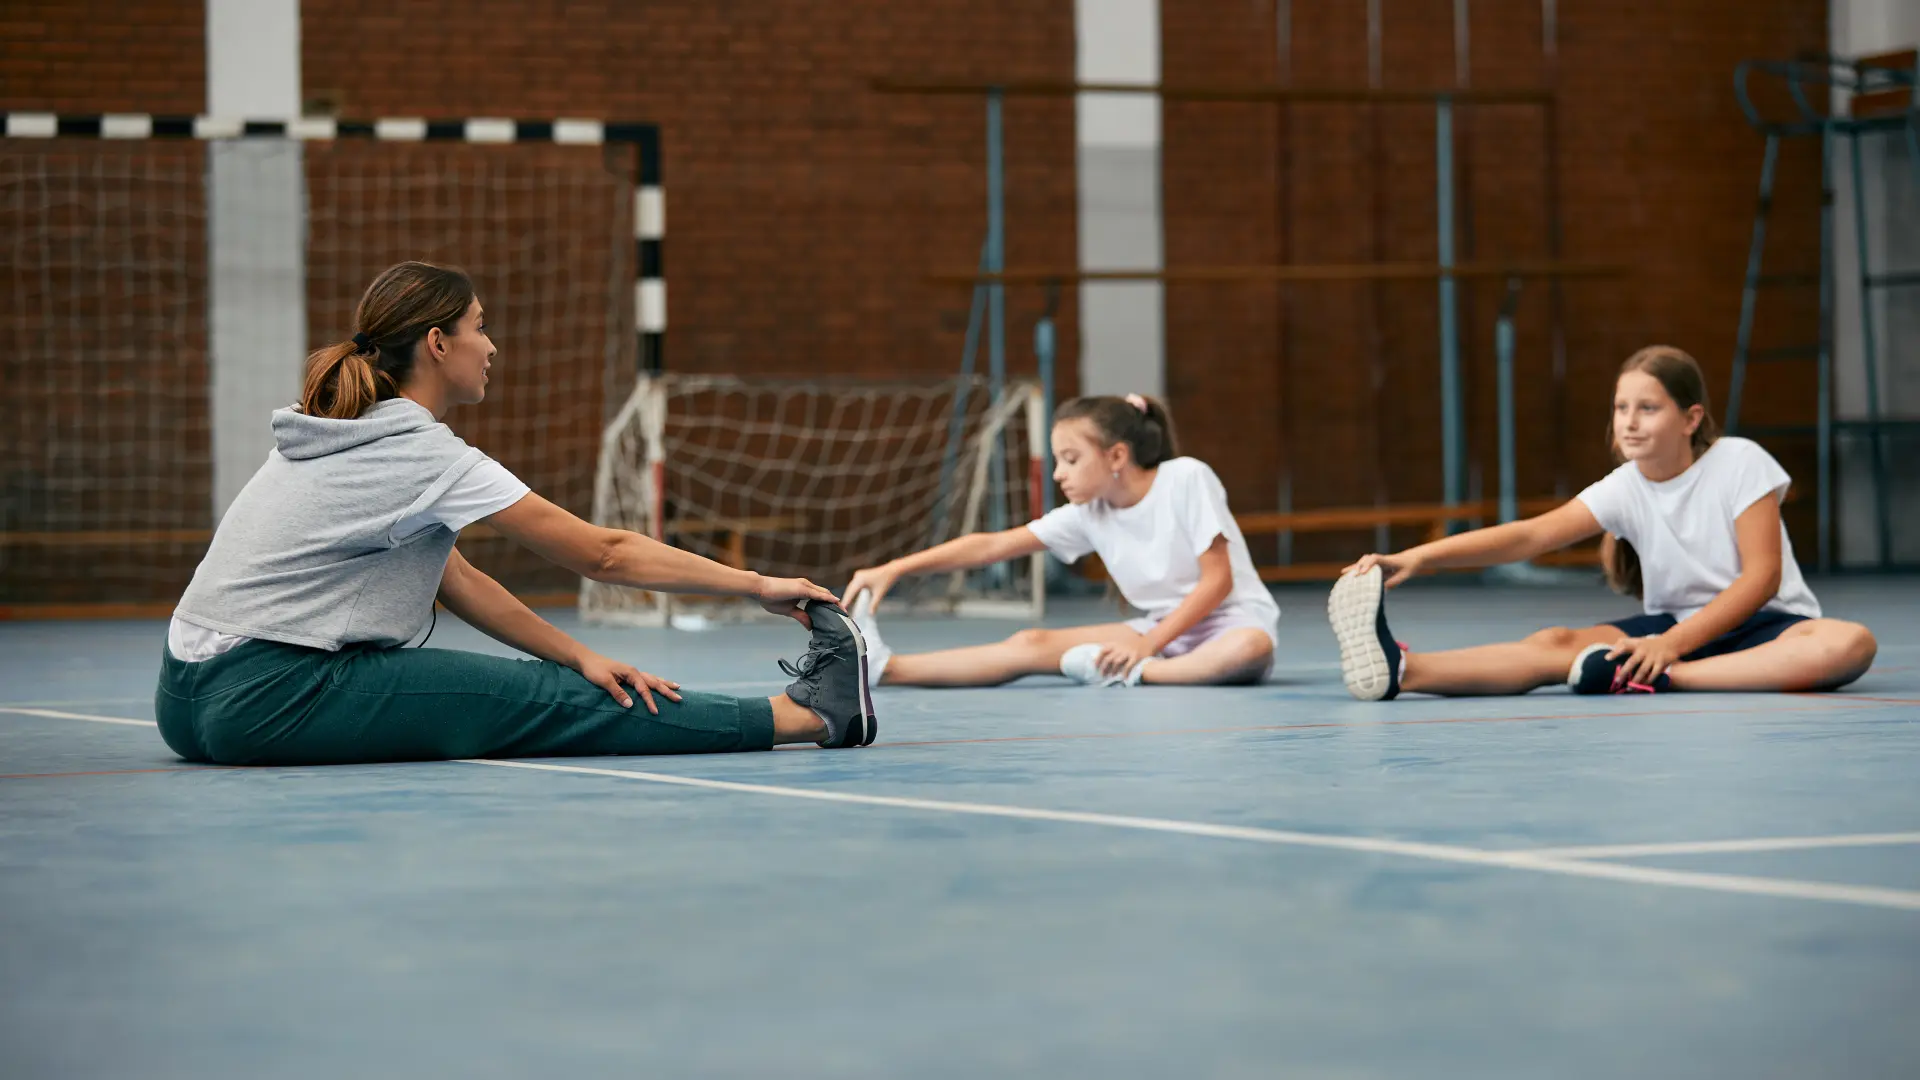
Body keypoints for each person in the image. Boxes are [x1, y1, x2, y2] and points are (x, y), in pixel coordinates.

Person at [157, 261, 875, 766]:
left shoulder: (336, 428)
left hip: (184, 703)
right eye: (479, 326)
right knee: (537, 701)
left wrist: (582, 654)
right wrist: (757, 585)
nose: (491, 344)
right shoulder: (419, 452)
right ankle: (806, 718)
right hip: (267, 695)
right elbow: (604, 555)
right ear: (438, 345)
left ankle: (789, 714)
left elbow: (457, 580)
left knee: (562, 678)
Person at [1328, 345, 1877, 700]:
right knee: (1556, 641)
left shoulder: (1738, 461)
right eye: (1621, 408)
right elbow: (1529, 535)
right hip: (1670, 627)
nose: (1630, 423)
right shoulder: (1625, 486)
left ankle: (1662, 679)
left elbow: (1761, 579)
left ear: (1691, 419)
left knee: (1848, 644)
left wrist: (1671, 652)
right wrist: (1420, 556)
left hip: (1766, 629)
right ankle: (1406, 670)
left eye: (1648, 408)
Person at [842, 393, 1279, 688]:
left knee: (1250, 648)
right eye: (1058, 460)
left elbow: (1217, 580)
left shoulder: (1185, 477)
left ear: (1117, 456)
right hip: (1164, 632)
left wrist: (1146, 647)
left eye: (1071, 459)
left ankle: (1138, 673)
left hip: (1229, 624)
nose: (1058, 474)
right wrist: (895, 568)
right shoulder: (1089, 514)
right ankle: (885, 669)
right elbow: (991, 545)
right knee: (1029, 643)